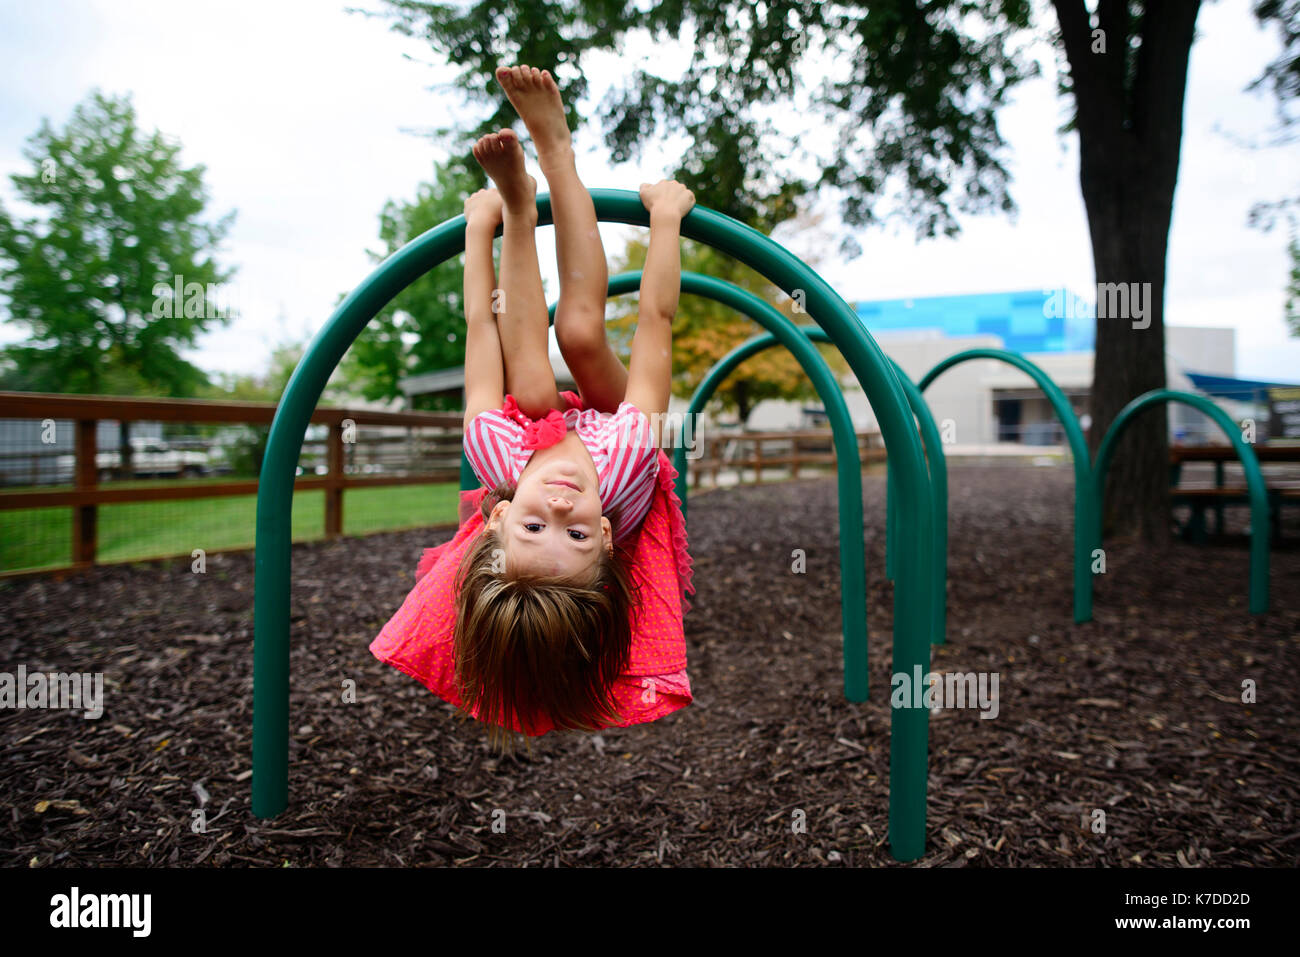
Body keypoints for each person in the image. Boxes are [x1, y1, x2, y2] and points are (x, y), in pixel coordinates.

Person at [371, 65, 696, 753]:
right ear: (607, 537)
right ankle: (558, 154)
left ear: (497, 515)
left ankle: (520, 204)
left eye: (533, 525)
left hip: (545, 422)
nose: (561, 508)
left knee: (532, 387)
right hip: (608, 425)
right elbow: (656, 322)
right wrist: (665, 220)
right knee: (580, 332)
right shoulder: (630, 455)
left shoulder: (498, 454)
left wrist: (479, 230)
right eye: (577, 537)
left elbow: (480, 330)